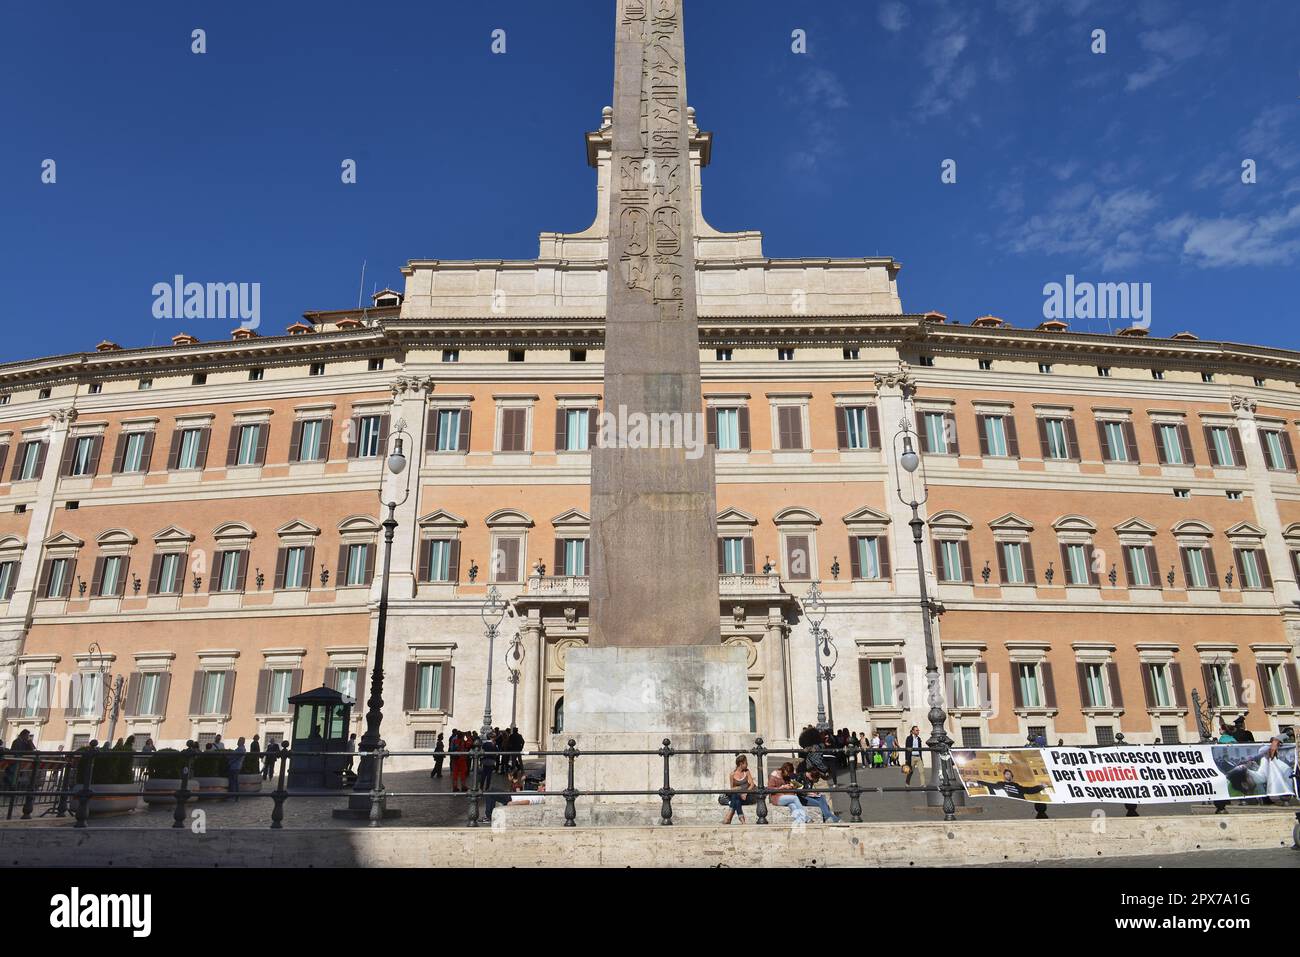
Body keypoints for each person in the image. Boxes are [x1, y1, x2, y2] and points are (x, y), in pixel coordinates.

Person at [971, 767, 1047, 801]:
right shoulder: (1001, 784)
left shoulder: (1016, 785)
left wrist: (1041, 787)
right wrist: (977, 781)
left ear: (1012, 776)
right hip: (1011, 802)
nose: (1008, 775)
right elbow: (990, 785)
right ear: (1004, 776)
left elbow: (1029, 790)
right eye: (1007, 774)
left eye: (1010, 774)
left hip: (1021, 802)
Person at [723, 754, 756, 824]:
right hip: (738, 796)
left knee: (735, 797)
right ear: (741, 764)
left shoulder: (747, 772)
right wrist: (738, 789)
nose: (747, 764)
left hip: (747, 796)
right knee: (736, 798)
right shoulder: (732, 775)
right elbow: (732, 789)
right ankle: (742, 820)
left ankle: (729, 816)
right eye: (746, 763)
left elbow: (752, 784)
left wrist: (745, 792)